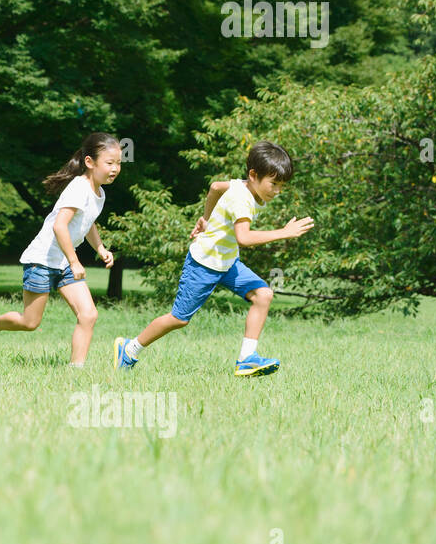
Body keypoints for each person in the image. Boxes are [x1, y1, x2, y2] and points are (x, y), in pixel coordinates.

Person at [113, 140, 314, 377]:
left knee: (263, 294)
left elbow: (215, 186)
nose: (278, 191)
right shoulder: (242, 199)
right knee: (179, 319)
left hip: (227, 262)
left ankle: (246, 359)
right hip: (204, 264)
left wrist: (205, 218)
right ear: (253, 175)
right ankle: (129, 348)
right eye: (274, 184)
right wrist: (284, 232)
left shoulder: (244, 187)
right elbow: (244, 238)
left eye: (282, 185)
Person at [0, 133, 120, 367]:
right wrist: (74, 261)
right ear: (90, 163)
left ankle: (76, 369)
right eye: (110, 163)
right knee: (30, 322)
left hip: (63, 262)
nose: (115, 168)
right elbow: (59, 226)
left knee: (89, 314)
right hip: (42, 260)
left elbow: (88, 221)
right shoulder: (78, 188)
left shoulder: (99, 193)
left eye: (119, 163)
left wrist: (100, 247)